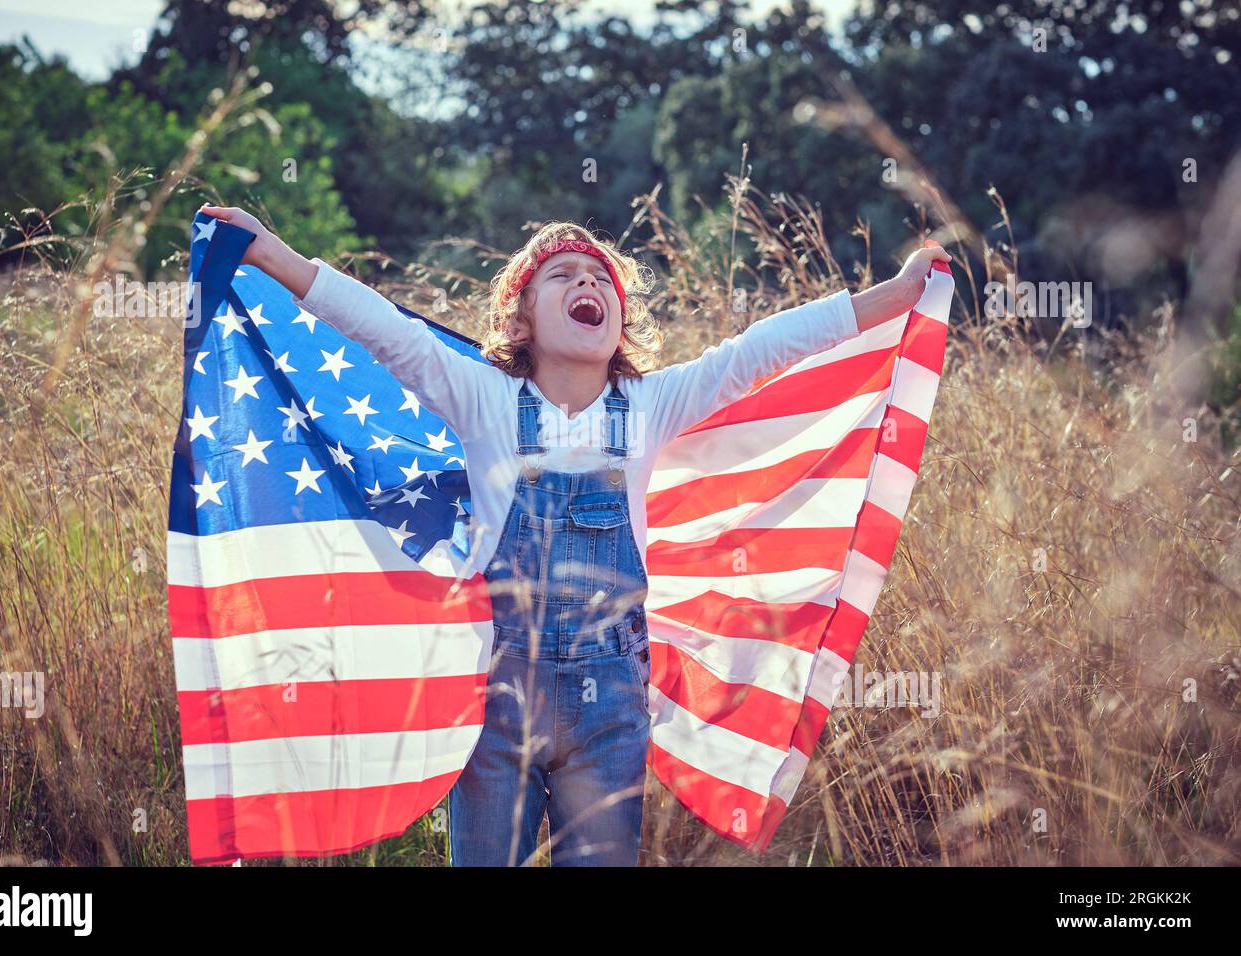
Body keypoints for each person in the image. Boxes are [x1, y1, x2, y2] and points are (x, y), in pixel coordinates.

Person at [197, 204, 950, 866]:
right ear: (521, 318)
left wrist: (894, 294)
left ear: (619, 321)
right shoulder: (485, 399)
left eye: (601, 280)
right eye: (562, 276)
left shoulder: (649, 408)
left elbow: (761, 349)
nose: (587, 284)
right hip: (496, 703)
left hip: (610, 710)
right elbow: (384, 329)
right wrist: (271, 253)